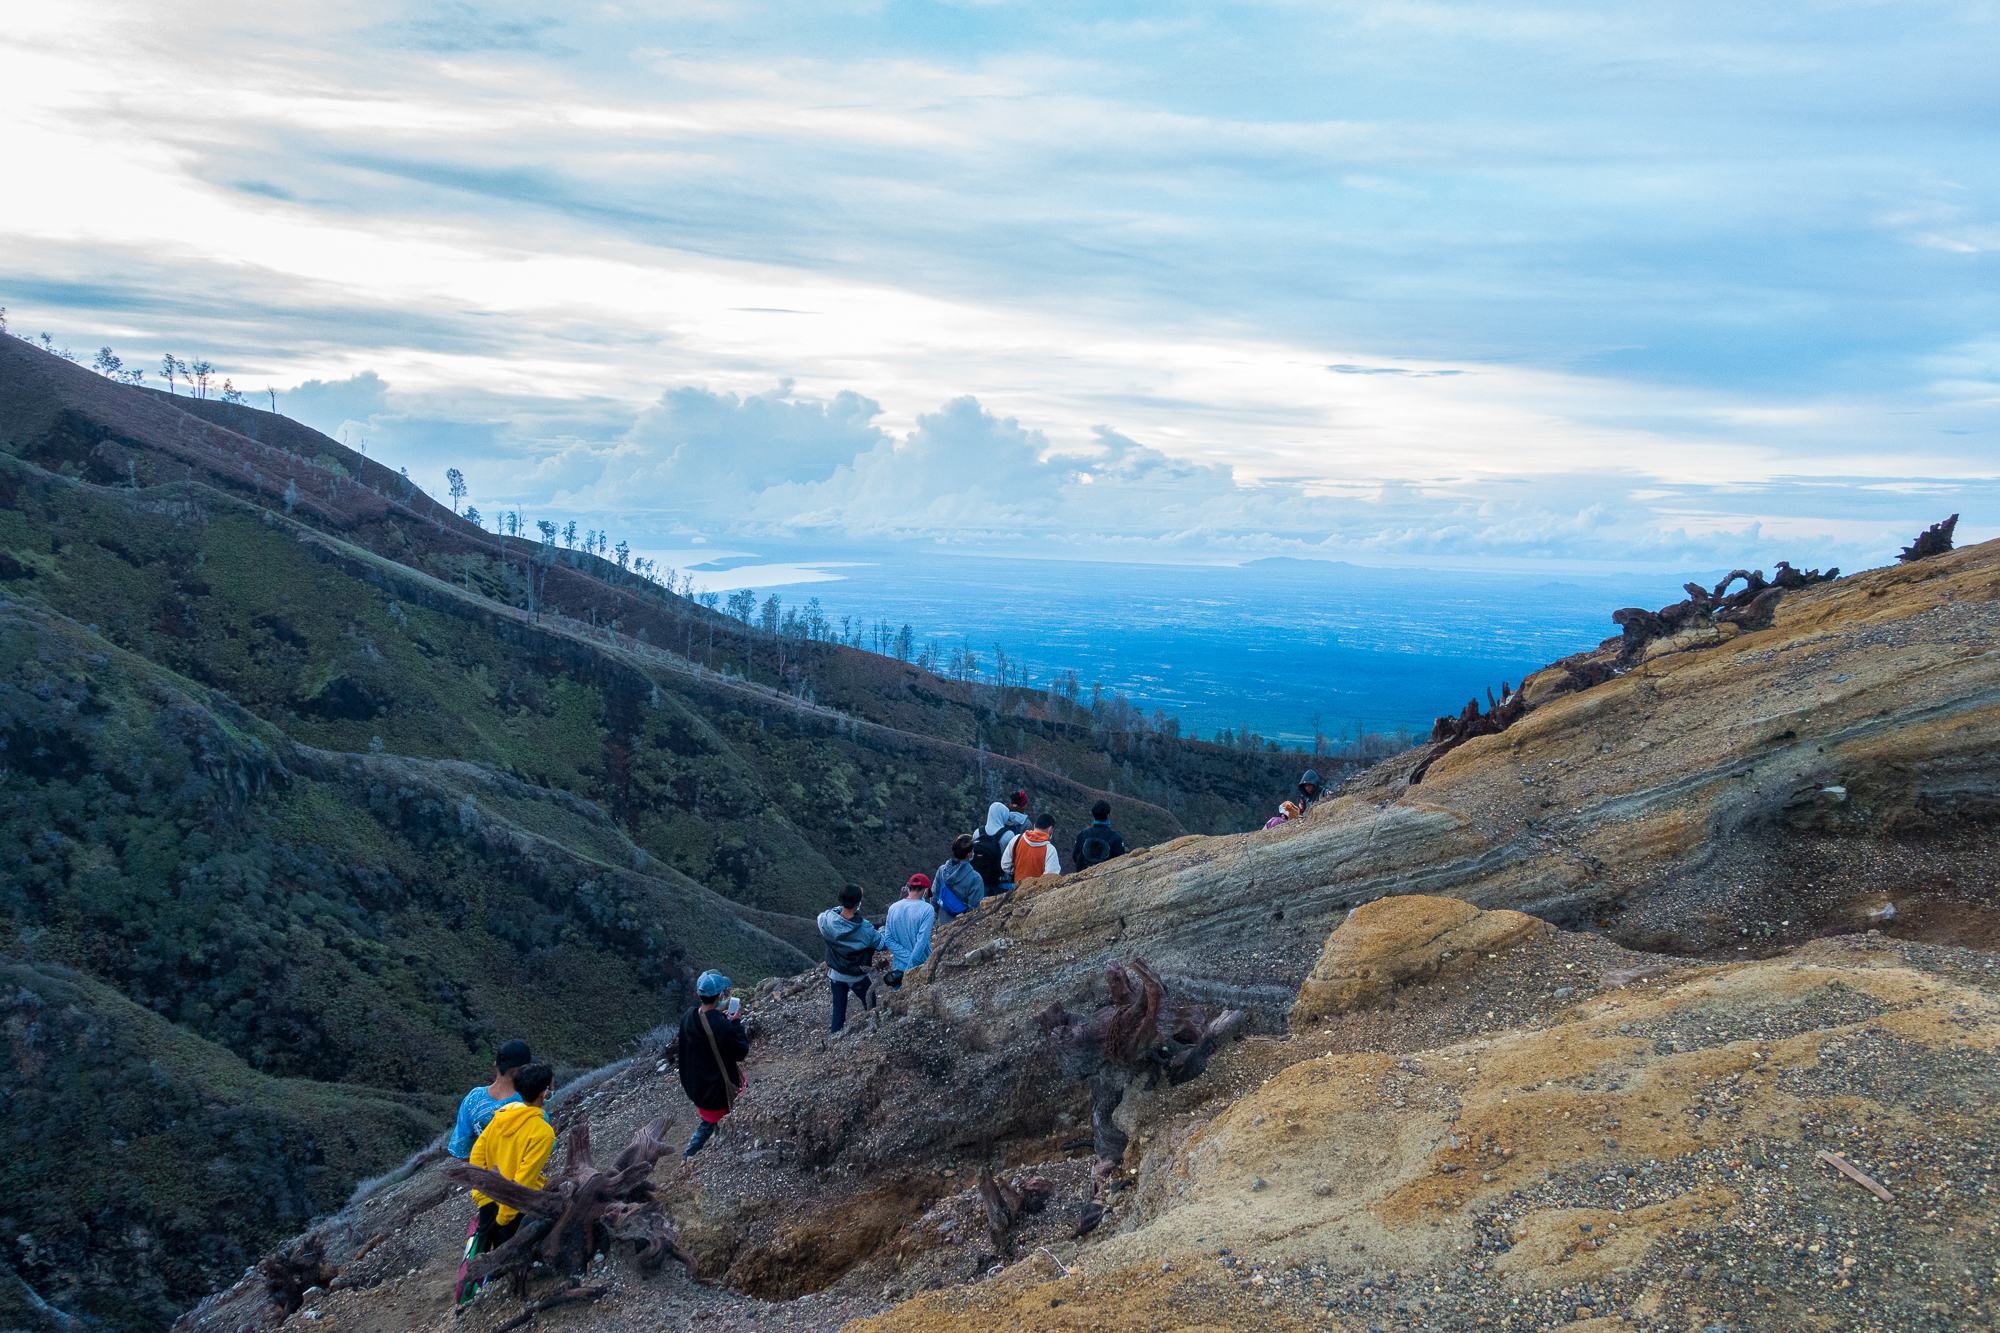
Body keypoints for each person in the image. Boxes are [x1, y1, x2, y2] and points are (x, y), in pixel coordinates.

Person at [455, 1062, 555, 1305]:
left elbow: (477, 1155)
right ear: (545, 1092)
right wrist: (503, 1219)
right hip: (514, 1211)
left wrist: (482, 1196)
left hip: (489, 1200)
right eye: (551, 1085)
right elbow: (524, 1179)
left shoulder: (503, 1114)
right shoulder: (542, 1132)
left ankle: (469, 1298)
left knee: (482, 1253)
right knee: (504, 1265)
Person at [677, 969, 749, 1159]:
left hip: (699, 1091)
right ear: (720, 996)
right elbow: (741, 1051)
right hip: (719, 1094)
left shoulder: (688, 1017)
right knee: (721, 1126)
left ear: (698, 994)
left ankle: (688, 1156)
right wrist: (736, 1023)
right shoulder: (720, 1025)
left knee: (706, 1123)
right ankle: (722, 1153)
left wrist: (723, 1022)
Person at [447, 1039, 532, 1158]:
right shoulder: (525, 1101)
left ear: (496, 1065)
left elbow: (461, 1148)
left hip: (480, 1170)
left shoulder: (473, 1097)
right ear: (516, 1071)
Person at [818, 883, 885, 1032]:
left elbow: (823, 916)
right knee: (870, 1002)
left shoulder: (826, 920)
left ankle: (834, 1042)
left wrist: (838, 910)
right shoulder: (865, 928)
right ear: (857, 904)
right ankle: (872, 1029)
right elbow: (881, 944)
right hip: (857, 976)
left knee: (838, 1012)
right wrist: (883, 929)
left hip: (836, 975)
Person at [881, 873, 935, 986]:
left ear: (908, 889)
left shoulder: (893, 908)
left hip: (898, 969)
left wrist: (906, 959)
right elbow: (921, 942)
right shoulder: (928, 909)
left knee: (901, 998)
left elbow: (888, 940)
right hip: (922, 965)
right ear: (925, 891)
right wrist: (912, 964)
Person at [971, 799, 1028, 891]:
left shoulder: (978, 832)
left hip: (979, 877)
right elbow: (1013, 859)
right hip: (1000, 880)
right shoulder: (1008, 834)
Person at [934, 834, 986, 915]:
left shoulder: (941, 870)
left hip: (942, 921)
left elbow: (934, 895)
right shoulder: (975, 878)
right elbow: (975, 908)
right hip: (963, 925)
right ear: (969, 855)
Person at [1071, 800, 1127, 870]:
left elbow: (1075, 856)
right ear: (1108, 816)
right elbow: (1120, 860)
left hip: (1084, 875)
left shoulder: (1084, 834)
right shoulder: (1116, 838)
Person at [1004, 813, 1061, 881]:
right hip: (1037, 891)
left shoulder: (1016, 840)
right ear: (1050, 829)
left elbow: (1005, 864)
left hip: (1017, 889)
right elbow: (1051, 876)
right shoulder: (1050, 849)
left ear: (1034, 826)